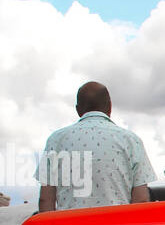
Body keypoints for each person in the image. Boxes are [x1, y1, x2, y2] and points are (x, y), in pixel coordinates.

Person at [38, 82, 155, 212]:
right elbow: (141, 200)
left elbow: (45, 200)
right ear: (110, 106)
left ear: (78, 110)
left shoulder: (56, 140)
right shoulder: (131, 140)